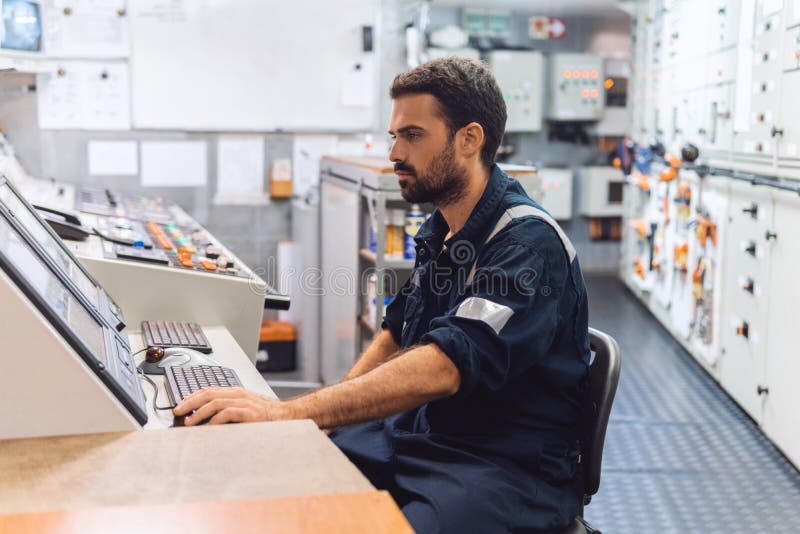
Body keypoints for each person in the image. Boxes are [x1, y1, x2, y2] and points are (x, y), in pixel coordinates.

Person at [174, 56, 591, 532]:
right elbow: (396, 332)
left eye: (412, 135)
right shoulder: (444, 230)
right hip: (423, 440)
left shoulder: (526, 245)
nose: (394, 153)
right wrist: (321, 419)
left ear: (469, 139)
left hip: (502, 467)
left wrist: (290, 411)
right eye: (394, 135)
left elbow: (444, 365)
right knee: (280, 477)